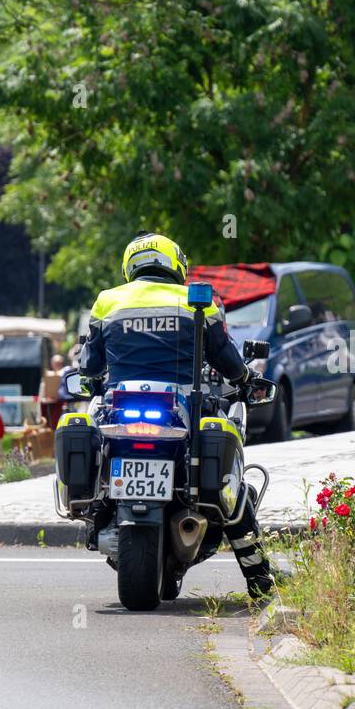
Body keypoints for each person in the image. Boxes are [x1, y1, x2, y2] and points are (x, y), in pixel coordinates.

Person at [81, 232, 272, 599]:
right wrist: (245, 378)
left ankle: (99, 505)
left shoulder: (108, 301)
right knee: (228, 482)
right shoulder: (196, 299)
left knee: (96, 451)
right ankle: (261, 579)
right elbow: (225, 356)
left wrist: (91, 380)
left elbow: (89, 364)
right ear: (175, 263)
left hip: (120, 411)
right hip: (181, 410)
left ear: (130, 265)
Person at [40, 353, 66, 429]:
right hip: (50, 402)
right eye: (56, 363)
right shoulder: (49, 375)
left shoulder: (64, 373)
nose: (57, 365)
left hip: (60, 403)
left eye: (58, 364)